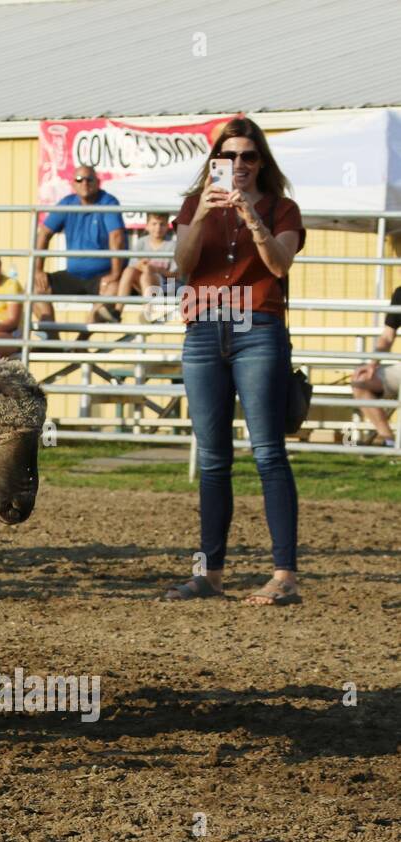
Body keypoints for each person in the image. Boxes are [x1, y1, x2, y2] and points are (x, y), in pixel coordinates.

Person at [164, 117, 305, 606]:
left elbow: (280, 265)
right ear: (214, 161)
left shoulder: (282, 208)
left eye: (248, 156)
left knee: (267, 453)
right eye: (228, 156)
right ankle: (212, 575)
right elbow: (180, 265)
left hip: (258, 329)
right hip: (203, 330)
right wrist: (202, 213)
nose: (238, 165)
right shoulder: (192, 205)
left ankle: (284, 576)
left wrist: (252, 218)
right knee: (214, 460)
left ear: (261, 162)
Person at [32, 165, 126, 333]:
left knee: (114, 288)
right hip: (73, 275)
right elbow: (44, 233)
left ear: (98, 182)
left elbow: (116, 237)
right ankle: (54, 343)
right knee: (34, 287)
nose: (84, 183)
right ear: (73, 184)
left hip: (103, 276)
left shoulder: (108, 201)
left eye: (89, 179)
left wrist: (116, 274)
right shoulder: (67, 203)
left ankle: (79, 347)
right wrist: (38, 270)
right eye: (79, 179)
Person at [348, 284, 400, 447]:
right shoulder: (400, 294)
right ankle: (391, 443)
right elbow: (387, 335)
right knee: (360, 381)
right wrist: (372, 364)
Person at [116, 211, 177, 321]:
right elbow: (133, 266)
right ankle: (117, 310)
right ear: (147, 226)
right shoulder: (141, 243)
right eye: (154, 224)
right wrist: (142, 266)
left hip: (163, 286)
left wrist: (154, 269)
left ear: (167, 226)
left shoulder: (172, 245)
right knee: (129, 271)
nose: (158, 228)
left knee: (146, 275)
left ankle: (147, 312)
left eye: (162, 224)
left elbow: (175, 274)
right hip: (141, 285)